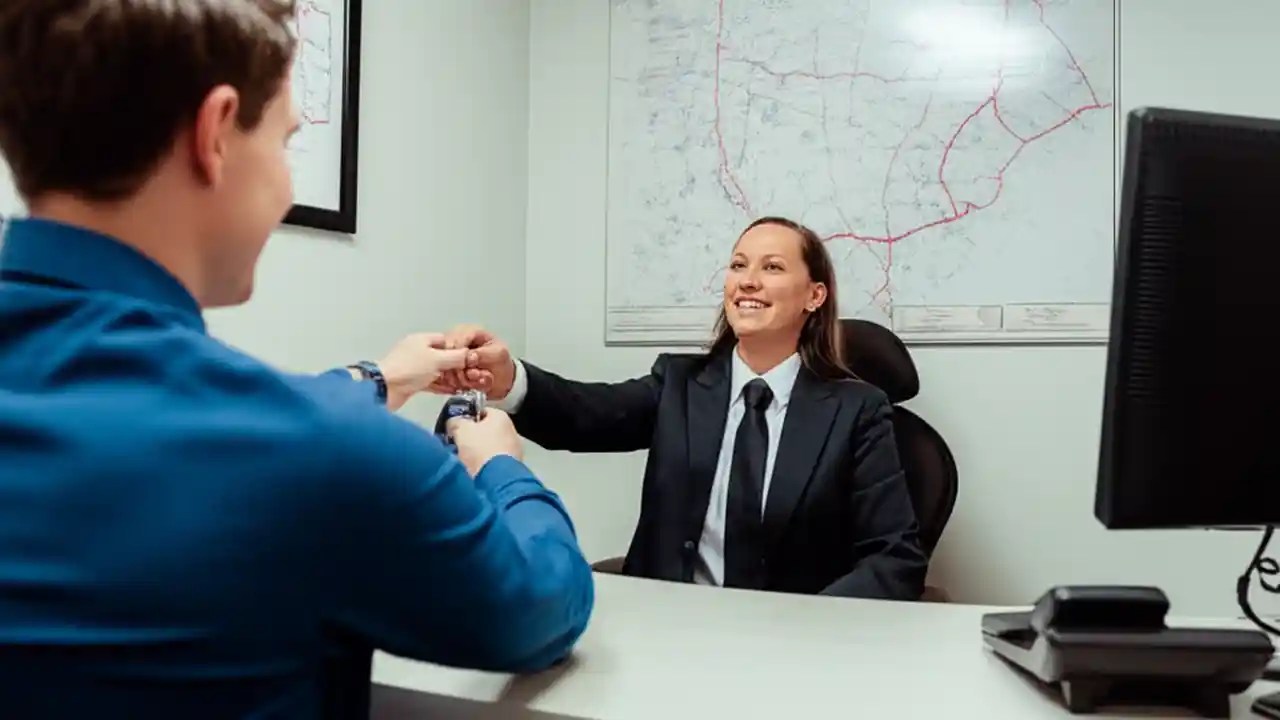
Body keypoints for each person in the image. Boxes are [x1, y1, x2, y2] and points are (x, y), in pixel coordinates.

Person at [0, 2, 592, 718]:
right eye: (284, 144)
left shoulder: (304, 434)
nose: (284, 186)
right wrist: (504, 467)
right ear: (214, 134)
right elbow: (536, 608)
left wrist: (378, 380)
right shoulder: (329, 454)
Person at [437, 216, 929, 600]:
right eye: (739, 265)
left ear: (814, 296)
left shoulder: (857, 410)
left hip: (793, 644)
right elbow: (585, 413)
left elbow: (894, 557)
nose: (748, 281)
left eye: (772, 267)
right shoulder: (679, 383)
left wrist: (811, 626)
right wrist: (507, 378)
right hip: (666, 627)